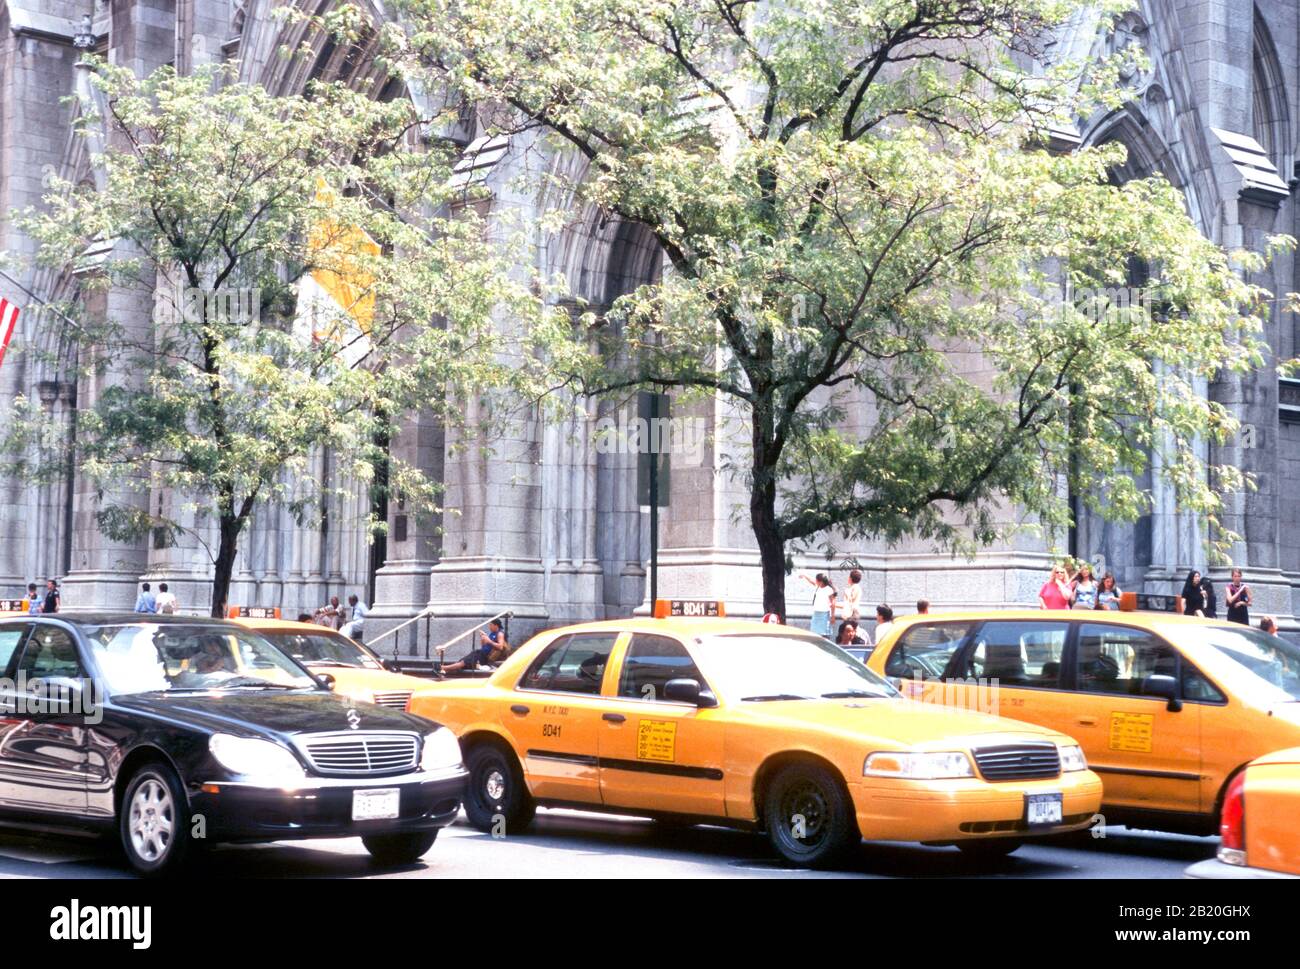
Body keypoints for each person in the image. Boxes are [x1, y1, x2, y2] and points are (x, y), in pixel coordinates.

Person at [439, 618, 510, 675]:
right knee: (462, 661)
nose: (489, 627)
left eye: (491, 625)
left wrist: (488, 641)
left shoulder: (500, 633)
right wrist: (483, 639)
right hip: (481, 653)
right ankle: (444, 670)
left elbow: (500, 647)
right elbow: (484, 646)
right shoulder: (492, 633)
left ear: (496, 625)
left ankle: (442, 668)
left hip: (484, 656)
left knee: (463, 663)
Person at [798, 573, 836, 639]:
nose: (815, 581)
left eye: (817, 580)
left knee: (824, 633)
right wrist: (804, 575)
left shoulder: (829, 590)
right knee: (815, 632)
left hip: (824, 614)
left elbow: (833, 603)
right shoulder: (818, 586)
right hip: (816, 613)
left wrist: (833, 616)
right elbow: (811, 580)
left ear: (820, 582)